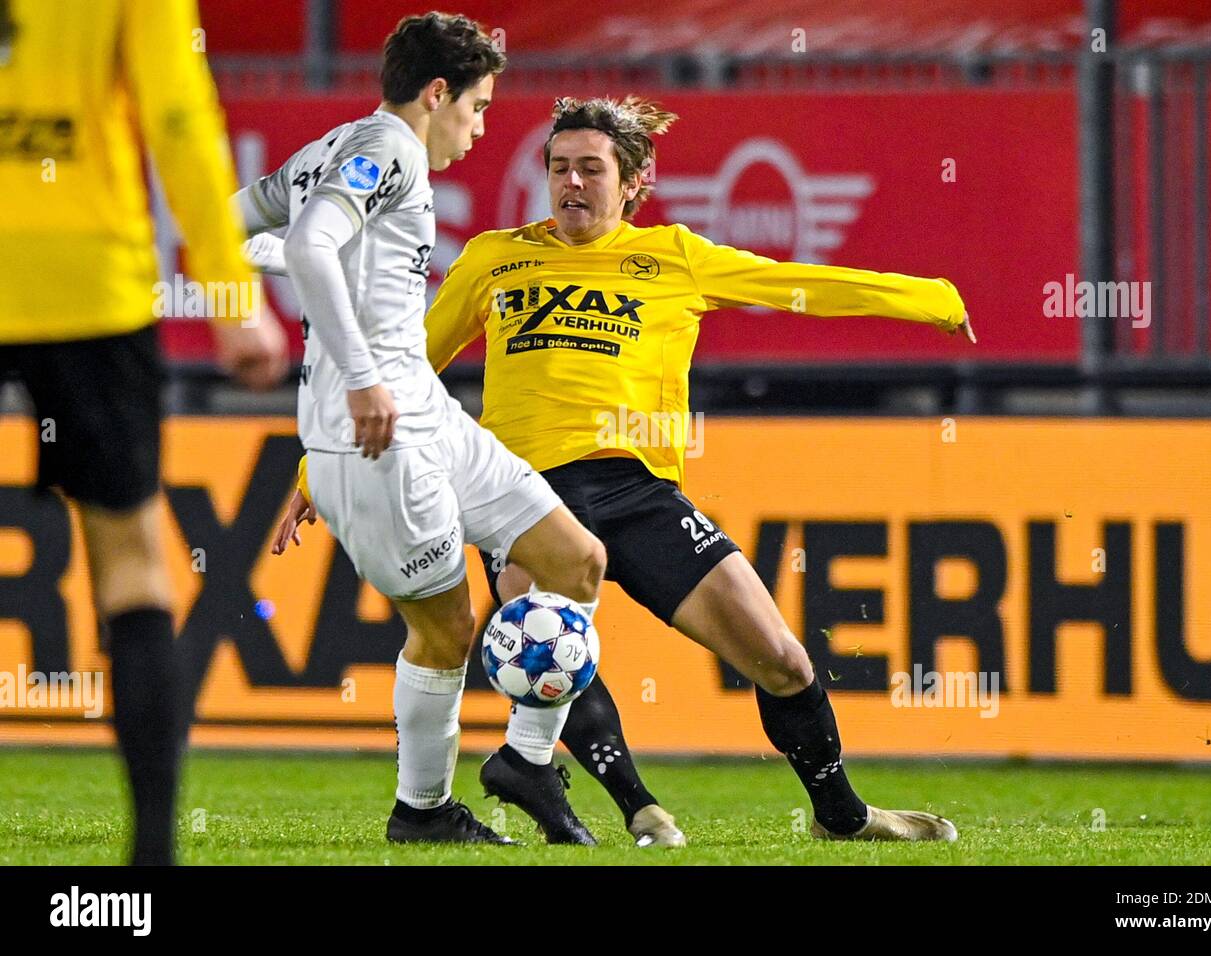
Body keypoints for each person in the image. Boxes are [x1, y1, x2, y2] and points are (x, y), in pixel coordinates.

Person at [276, 95, 975, 842]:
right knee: (550, 649)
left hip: (639, 492)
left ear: (635, 181)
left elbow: (796, 285)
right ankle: (640, 808)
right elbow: (398, 372)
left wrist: (930, 299)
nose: (571, 183)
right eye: (558, 168)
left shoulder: (674, 258)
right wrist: (314, 471)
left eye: (591, 169)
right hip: (524, 493)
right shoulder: (493, 257)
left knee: (781, 658)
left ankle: (842, 814)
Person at [238, 12, 617, 845]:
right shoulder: (392, 150)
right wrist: (362, 376)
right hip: (375, 435)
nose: (480, 129)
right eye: (477, 107)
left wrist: (291, 263)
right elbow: (310, 244)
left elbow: (240, 230)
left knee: (576, 558)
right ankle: (422, 812)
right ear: (437, 92)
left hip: (427, 414)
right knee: (444, 629)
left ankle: (524, 762)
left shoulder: (329, 149)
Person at [0, 0, 289, 864]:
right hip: (86, 282)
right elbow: (177, 116)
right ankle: (151, 864)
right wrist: (232, 291)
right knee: (130, 559)